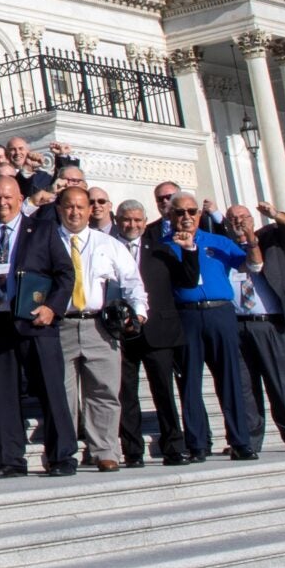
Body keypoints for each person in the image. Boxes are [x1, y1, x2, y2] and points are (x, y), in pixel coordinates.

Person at [0, 173, 78, 477]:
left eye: (8, 197)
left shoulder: (42, 230)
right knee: (1, 394)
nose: (2, 203)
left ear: (20, 199)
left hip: (35, 322)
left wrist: (53, 308)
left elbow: (65, 274)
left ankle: (62, 457)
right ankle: (9, 460)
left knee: (51, 391)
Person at [159, 192, 258, 461]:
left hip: (220, 313)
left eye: (192, 211)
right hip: (186, 315)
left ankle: (240, 440)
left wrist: (251, 239)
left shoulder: (218, 242)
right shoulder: (163, 245)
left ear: (199, 215)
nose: (187, 217)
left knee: (230, 379)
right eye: (180, 212)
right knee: (189, 382)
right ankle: (197, 443)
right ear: (170, 216)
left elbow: (252, 264)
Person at [56, 185, 148, 472]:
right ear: (60, 209)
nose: (74, 212)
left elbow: (132, 279)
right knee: (63, 392)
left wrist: (140, 312)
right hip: (60, 325)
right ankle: (65, 450)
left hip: (100, 325)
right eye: (69, 206)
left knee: (104, 391)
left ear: (91, 210)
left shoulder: (108, 244)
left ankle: (105, 449)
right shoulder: (47, 240)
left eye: (80, 207)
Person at [228, 202, 285, 451]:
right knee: (245, 388)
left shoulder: (270, 240)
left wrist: (275, 215)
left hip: (271, 323)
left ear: (252, 219)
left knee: (284, 383)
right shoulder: (224, 247)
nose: (238, 222)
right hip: (237, 324)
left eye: (243, 217)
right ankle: (249, 441)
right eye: (232, 218)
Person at [113, 198, 187, 466]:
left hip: (158, 331)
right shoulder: (107, 248)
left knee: (164, 392)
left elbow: (187, 280)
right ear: (117, 221)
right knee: (126, 394)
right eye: (126, 220)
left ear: (145, 222)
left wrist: (189, 251)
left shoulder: (160, 250)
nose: (132, 224)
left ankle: (173, 447)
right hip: (121, 332)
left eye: (137, 220)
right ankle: (132, 451)